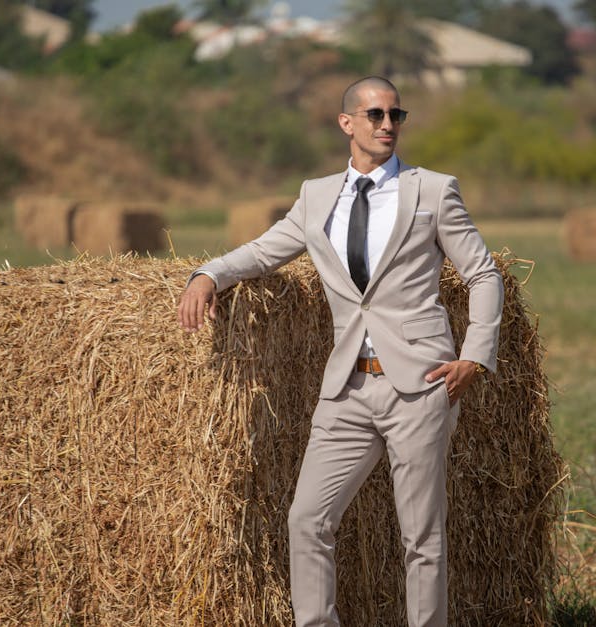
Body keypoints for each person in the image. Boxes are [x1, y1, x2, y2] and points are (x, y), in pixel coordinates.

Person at [177, 76, 503, 627]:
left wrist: (475, 354)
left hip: (420, 386)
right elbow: (263, 251)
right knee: (307, 519)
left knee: (421, 535)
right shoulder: (317, 195)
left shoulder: (433, 190)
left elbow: (483, 273)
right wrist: (208, 273)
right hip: (347, 389)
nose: (387, 125)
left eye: (396, 116)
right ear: (347, 123)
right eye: (375, 115)